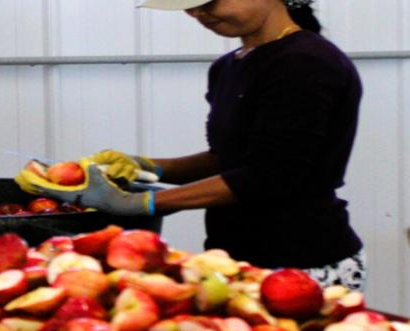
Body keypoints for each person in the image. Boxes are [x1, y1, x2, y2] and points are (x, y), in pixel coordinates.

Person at [27, 0, 367, 288]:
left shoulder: (306, 63)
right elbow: (230, 159)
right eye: (190, 6)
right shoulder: (230, 67)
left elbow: (271, 174)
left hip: (301, 262)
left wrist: (145, 203)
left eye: (210, 1)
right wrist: (149, 166)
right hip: (233, 257)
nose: (199, 13)